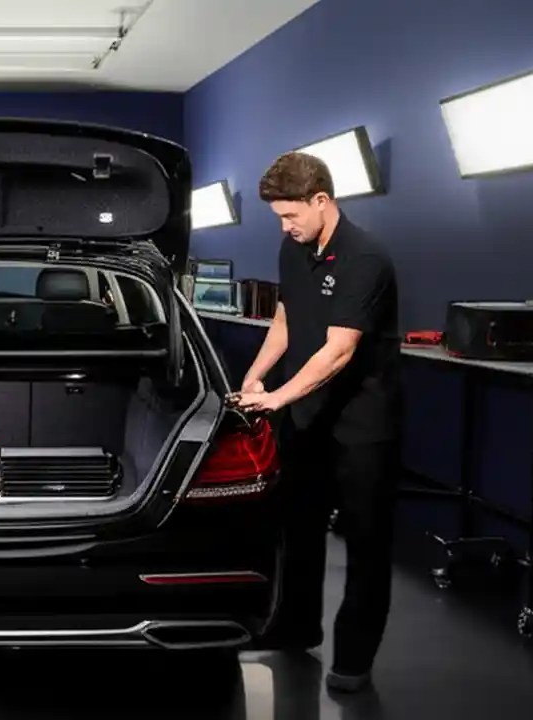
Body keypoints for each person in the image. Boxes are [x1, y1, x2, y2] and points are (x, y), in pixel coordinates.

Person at [235, 152, 403, 693]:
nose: (285, 226)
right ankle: (295, 627)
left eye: (291, 215)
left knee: (366, 545)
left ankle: (354, 658)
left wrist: (277, 398)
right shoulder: (293, 247)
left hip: (362, 427)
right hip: (307, 418)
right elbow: (285, 320)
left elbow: (338, 351)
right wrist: (255, 377)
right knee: (298, 530)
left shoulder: (365, 257)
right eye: (279, 217)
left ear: (321, 200)